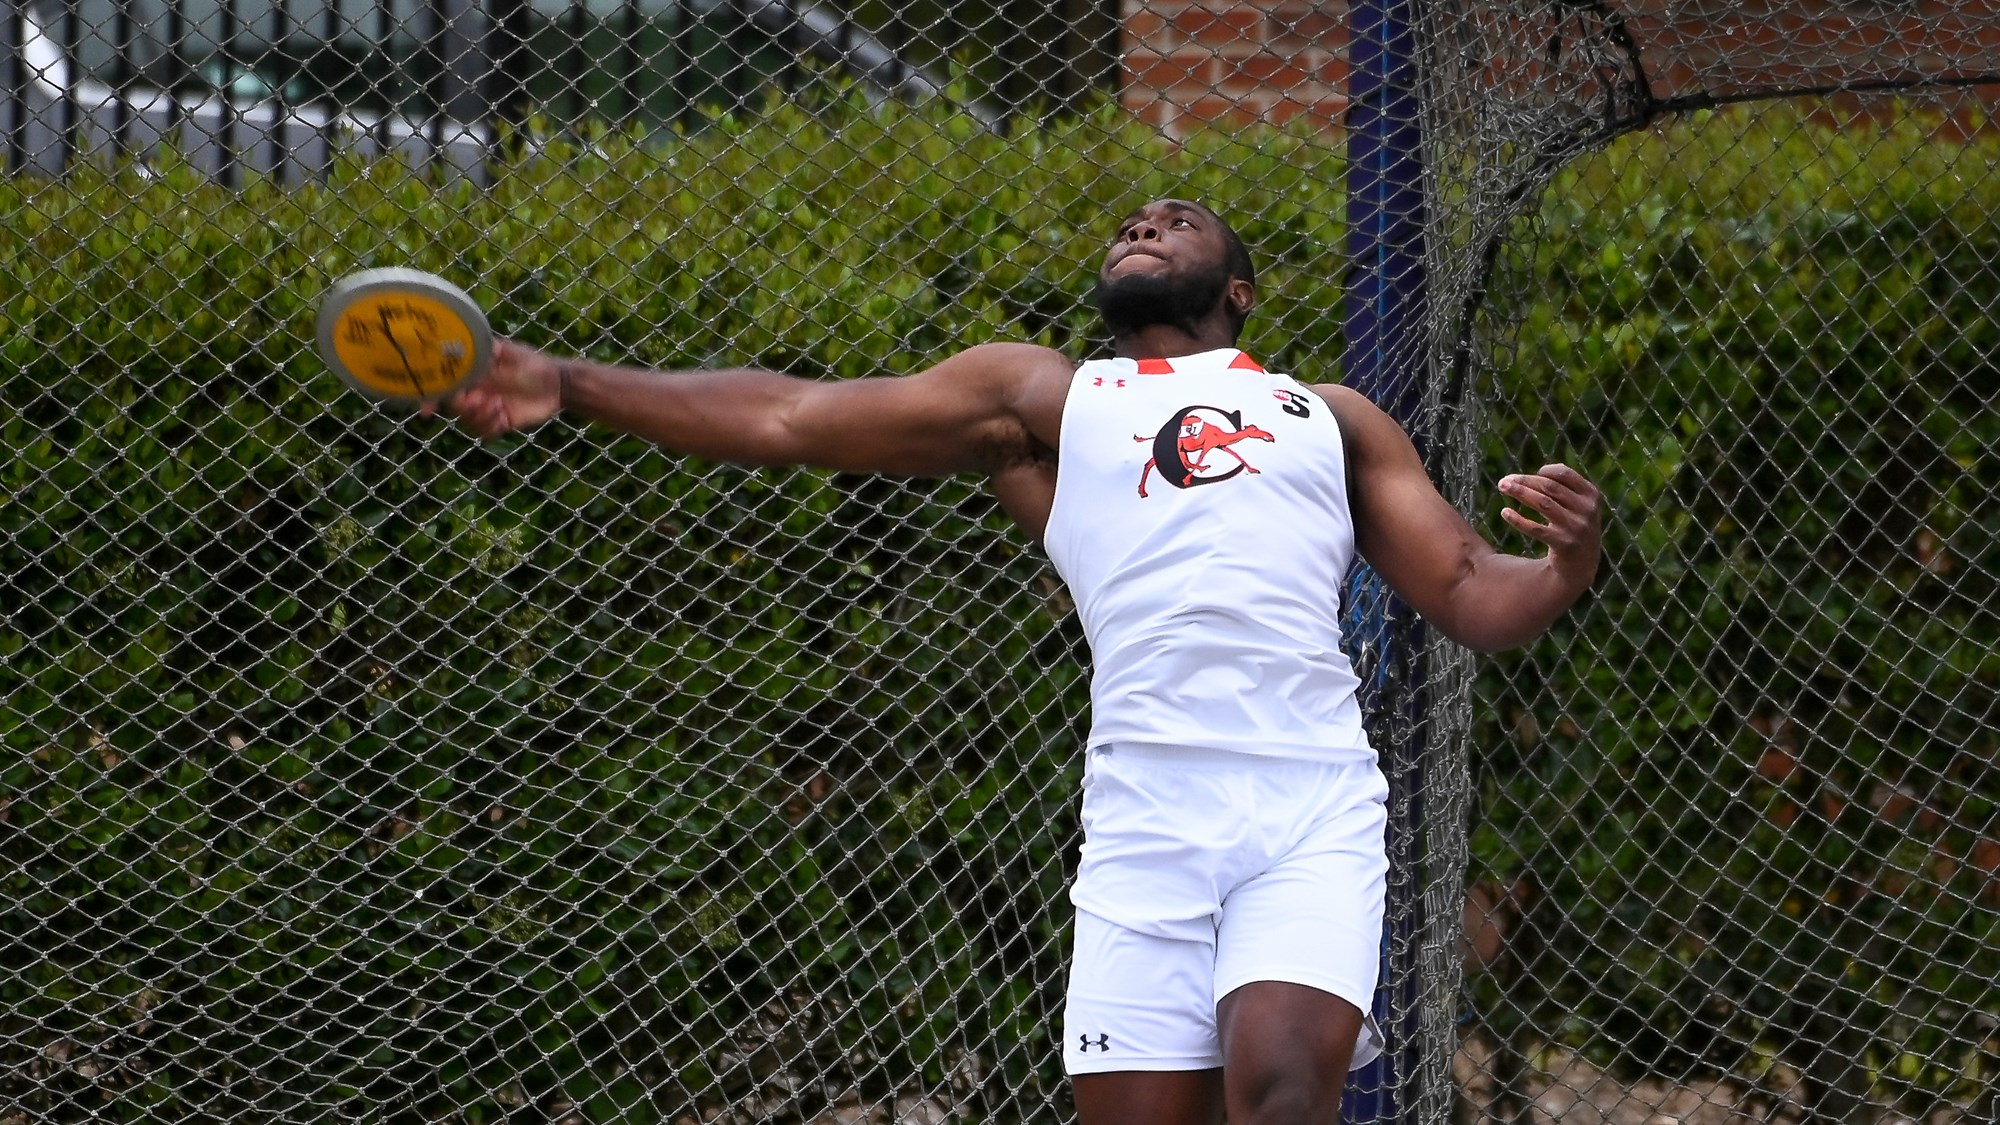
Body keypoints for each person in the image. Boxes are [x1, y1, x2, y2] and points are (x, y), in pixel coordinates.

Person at [438, 198, 1603, 1125]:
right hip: (1143, 819)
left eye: (1178, 220)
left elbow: (1464, 591)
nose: (1144, 225)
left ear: (1238, 291)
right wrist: (574, 383)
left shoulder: (1328, 415)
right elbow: (792, 416)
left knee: (1287, 1095)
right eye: (1129, 224)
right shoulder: (1047, 398)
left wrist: (1562, 565)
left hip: (1305, 806)